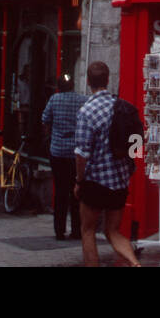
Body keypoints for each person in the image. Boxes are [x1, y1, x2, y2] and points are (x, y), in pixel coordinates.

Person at [74, 61, 139, 267]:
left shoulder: (87, 112)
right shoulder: (121, 107)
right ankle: (135, 263)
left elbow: (82, 153)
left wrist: (79, 181)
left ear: (88, 81)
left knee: (88, 230)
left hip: (95, 182)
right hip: (119, 182)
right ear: (108, 79)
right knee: (113, 231)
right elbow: (135, 148)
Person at [41, 74, 87, 242]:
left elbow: (45, 120)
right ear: (73, 85)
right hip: (75, 153)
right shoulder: (82, 100)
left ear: (59, 86)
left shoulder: (54, 99)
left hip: (58, 152)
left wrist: (51, 135)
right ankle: (76, 230)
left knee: (60, 191)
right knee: (76, 191)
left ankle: (59, 231)